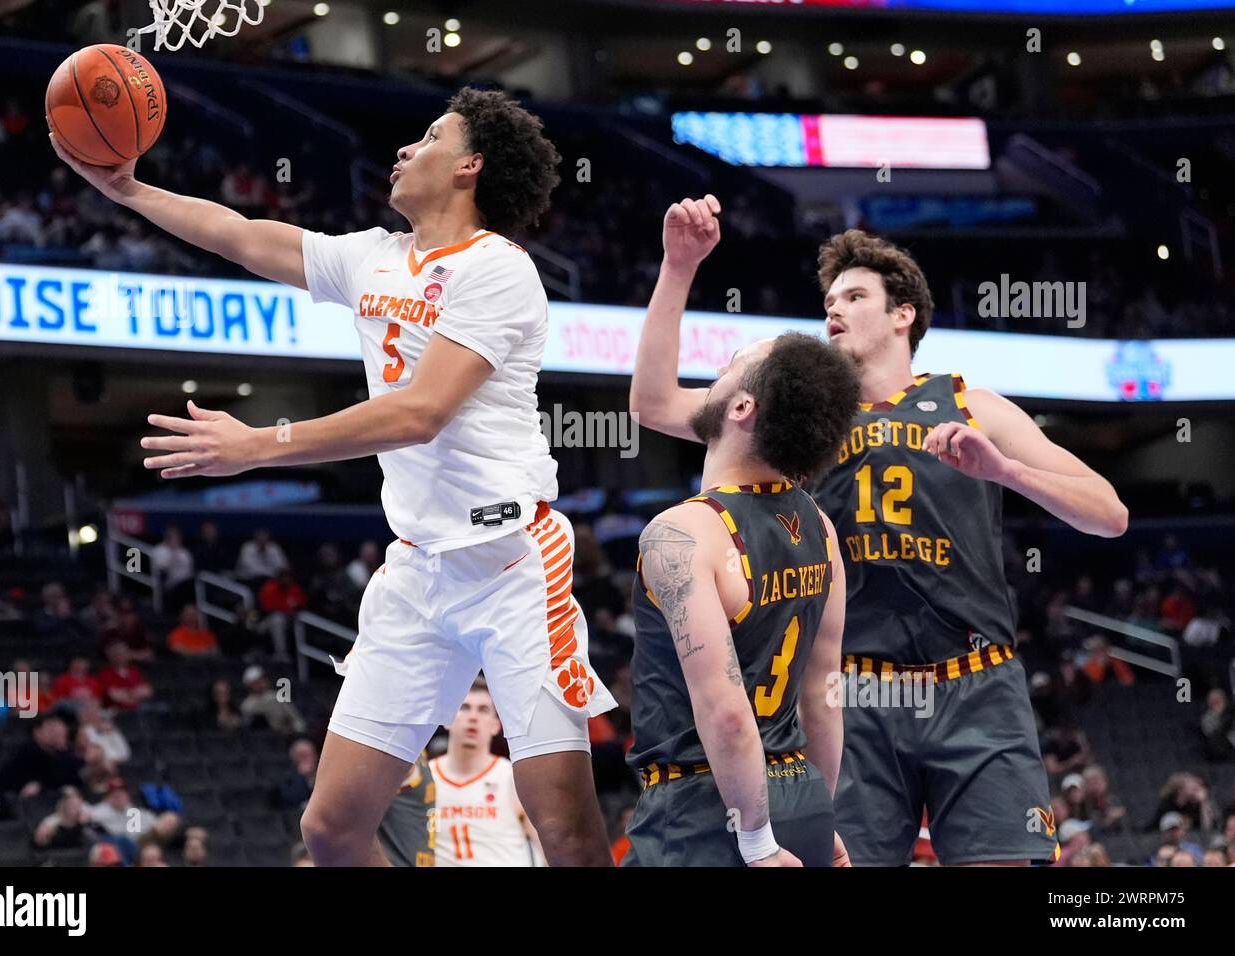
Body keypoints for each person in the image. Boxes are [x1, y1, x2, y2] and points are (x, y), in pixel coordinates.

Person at [56, 86, 616, 865]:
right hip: (418, 570)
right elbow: (241, 235)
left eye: (427, 137)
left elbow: (419, 412)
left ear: (470, 166)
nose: (403, 150)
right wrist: (127, 188)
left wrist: (258, 444)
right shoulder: (373, 258)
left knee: (563, 824)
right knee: (330, 828)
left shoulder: (499, 271)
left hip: (515, 561)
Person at [629, 215, 1128, 867]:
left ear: (904, 315)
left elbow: (1110, 515)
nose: (834, 309)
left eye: (855, 296)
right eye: (829, 301)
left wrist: (1005, 471)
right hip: (856, 691)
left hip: (977, 683)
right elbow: (654, 404)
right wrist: (679, 265)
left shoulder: (973, 405)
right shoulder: (797, 423)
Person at [625, 199, 857, 866]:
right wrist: (817, 814)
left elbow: (726, 710)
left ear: (742, 406)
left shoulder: (682, 533)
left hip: (708, 808)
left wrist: (755, 843)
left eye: (728, 363)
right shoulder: (819, 525)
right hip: (798, 795)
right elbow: (823, 693)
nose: (715, 371)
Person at [429, 681, 541, 866]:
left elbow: (546, 847)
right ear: (447, 719)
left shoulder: (513, 778)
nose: (473, 717)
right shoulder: (426, 778)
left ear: (496, 724)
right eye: (464, 708)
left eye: (482, 710)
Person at [0, 714, 83, 799]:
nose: (54, 734)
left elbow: (71, 777)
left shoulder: (55, 751)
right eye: (50, 730)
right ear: (37, 733)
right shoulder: (27, 752)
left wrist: (64, 749)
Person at [240, 665, 306, 734]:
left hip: (287, 736)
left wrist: (298, 732)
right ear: (249, 685)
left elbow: (296, 719)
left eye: (262, 679)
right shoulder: (247, 705)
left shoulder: (279, 697)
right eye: (256, 682)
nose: (260, 683)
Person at [95, 641, 154, 712]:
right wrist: (134, 693)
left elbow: (147, 691)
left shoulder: (134, 670)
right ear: (110, 656)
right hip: (116, 711)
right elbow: (114, 696)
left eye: (124, 653)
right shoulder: (105, 673)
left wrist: (127, 693)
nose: (121, 656)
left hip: (139, 708)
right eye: (117, 654)